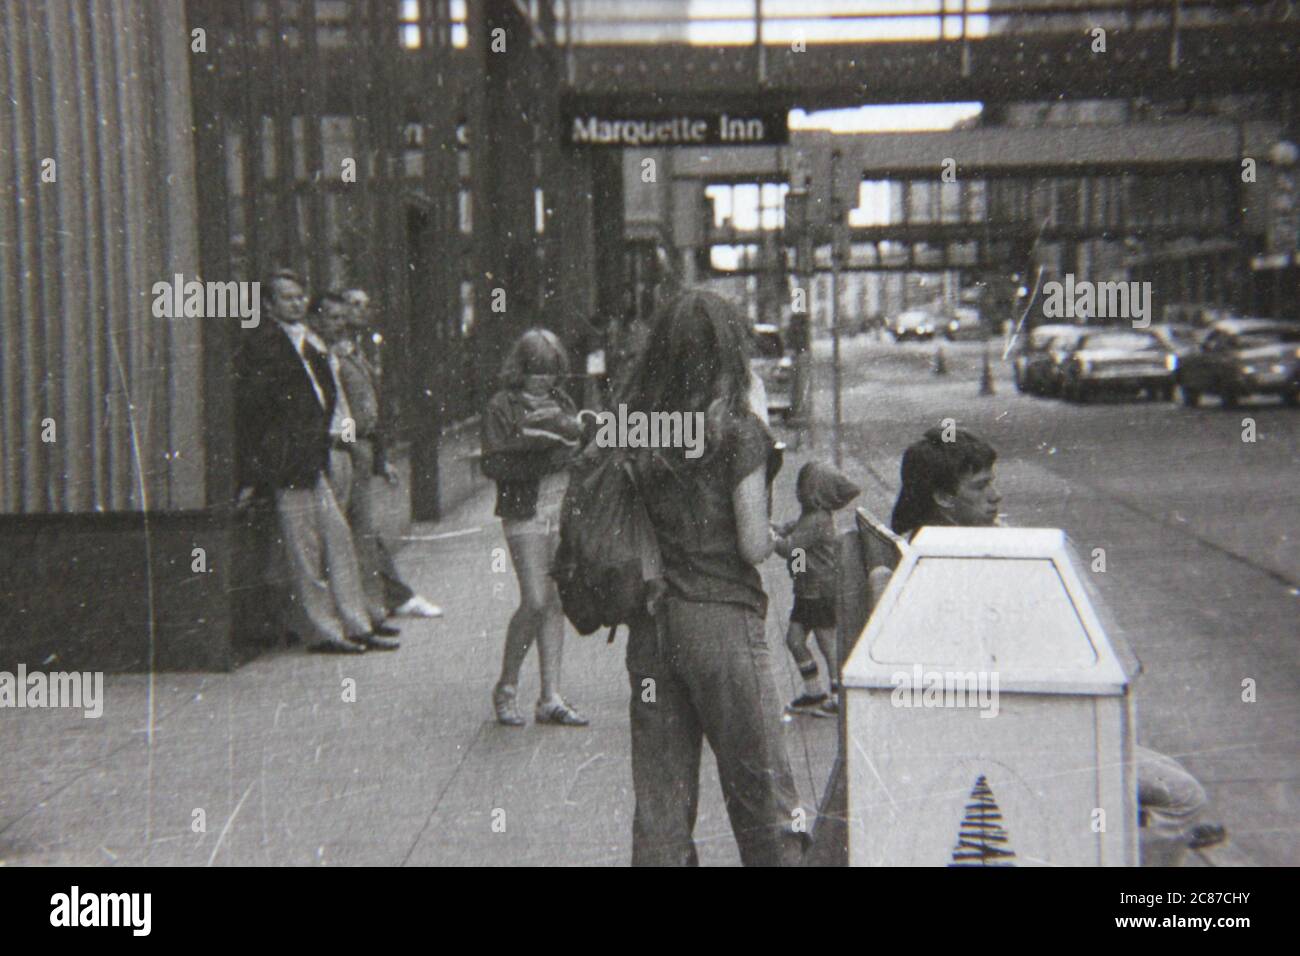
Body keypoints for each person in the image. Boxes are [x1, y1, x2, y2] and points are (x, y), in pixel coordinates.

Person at [888, 425, 1225, 863]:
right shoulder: (956, 561)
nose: (996, 496)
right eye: (981, 487)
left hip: (1007, 728)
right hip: (1019, 738)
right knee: (1183, 797)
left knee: (1167, 775)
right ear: (944, 498)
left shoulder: (938, 547)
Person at [618, 288, 804, 866]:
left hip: (652, 627)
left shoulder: (641, 428)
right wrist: (778, 533)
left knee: (661, 810)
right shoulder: (739, 432)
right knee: (763, 796)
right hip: (722, 624)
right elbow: (751, 543)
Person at [234, 270, 397, 654]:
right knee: (305, 551)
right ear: (269, 305)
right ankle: (325, 630)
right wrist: (264, 463)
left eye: (299, 296)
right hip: (290, 463)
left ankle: (355, 623)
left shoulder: (309, 342)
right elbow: (255, 410)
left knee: (338, 541)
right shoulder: (263, 346)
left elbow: (326, 397)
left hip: (315, 456)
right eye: (286, 297)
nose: (296, 303)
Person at [481, 329, 589, 727]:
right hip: (524, 510)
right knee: (535, 599)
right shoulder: (501, 406)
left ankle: (550, 695)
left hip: (560, 507)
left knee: (553, 600)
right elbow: (493, 464)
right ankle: (507, 686)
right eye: (536, 371)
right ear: (521, 369)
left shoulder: (562, 401)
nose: (544, 380)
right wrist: (549, 456)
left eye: (551, 371)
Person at [339, 288, 442, 619]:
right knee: (360, 529)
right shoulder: (336, 353)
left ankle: (384, 598)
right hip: (348, 447)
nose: (360, 310)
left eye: (365, 305)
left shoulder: (362, 349)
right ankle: (390, 598)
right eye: (353, 304)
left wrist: (380, 457)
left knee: (361, 529)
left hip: (364, 445)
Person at [773, 461, 860, 717]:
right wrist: (778, 528)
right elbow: (792, 530)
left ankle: (838, 696)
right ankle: (814, 692)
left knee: (827, 643)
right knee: (795, 640)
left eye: (801, 486)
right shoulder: (809, 517)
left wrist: (770, 538)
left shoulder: (817, 520)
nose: (797, 491)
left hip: (820, 591)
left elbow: (790, 548)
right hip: (806, 590)